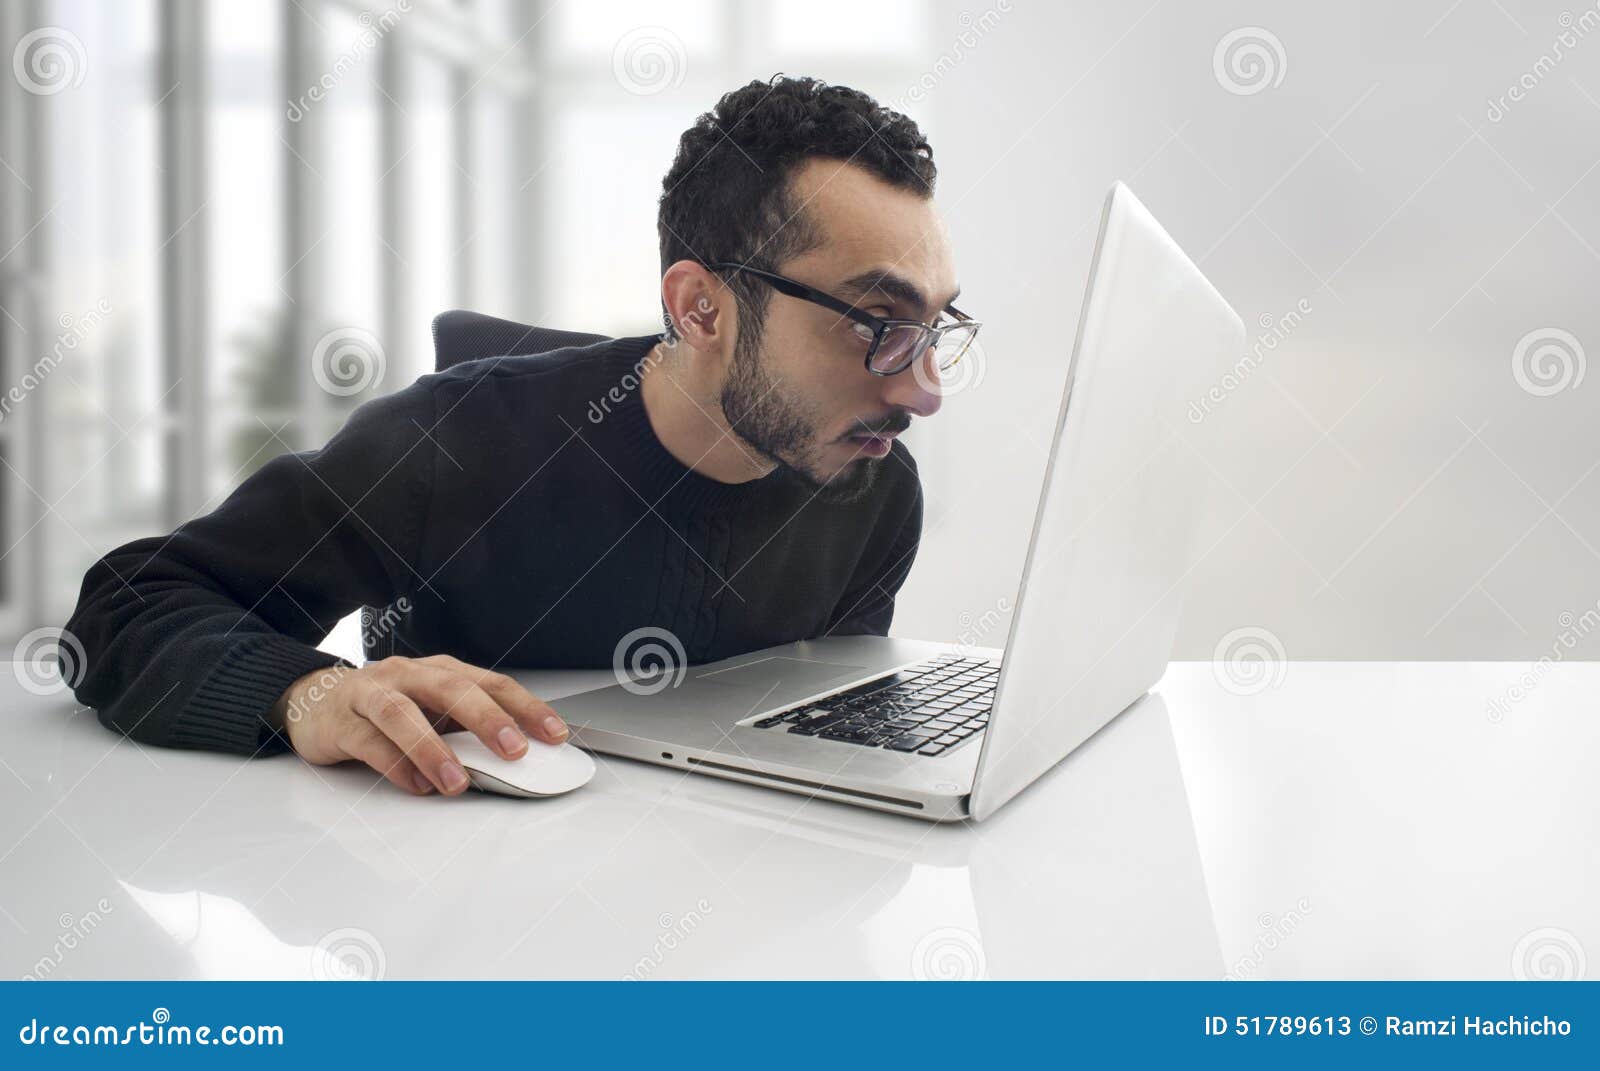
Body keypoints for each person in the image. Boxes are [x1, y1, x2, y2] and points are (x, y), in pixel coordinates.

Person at [64, 75, 977, 799]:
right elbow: (130, 603)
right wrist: (314, 691)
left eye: (936, 328)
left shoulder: (874, 490)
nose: (924, 391)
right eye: (875, 322)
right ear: (701, 308)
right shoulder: (456, 443)